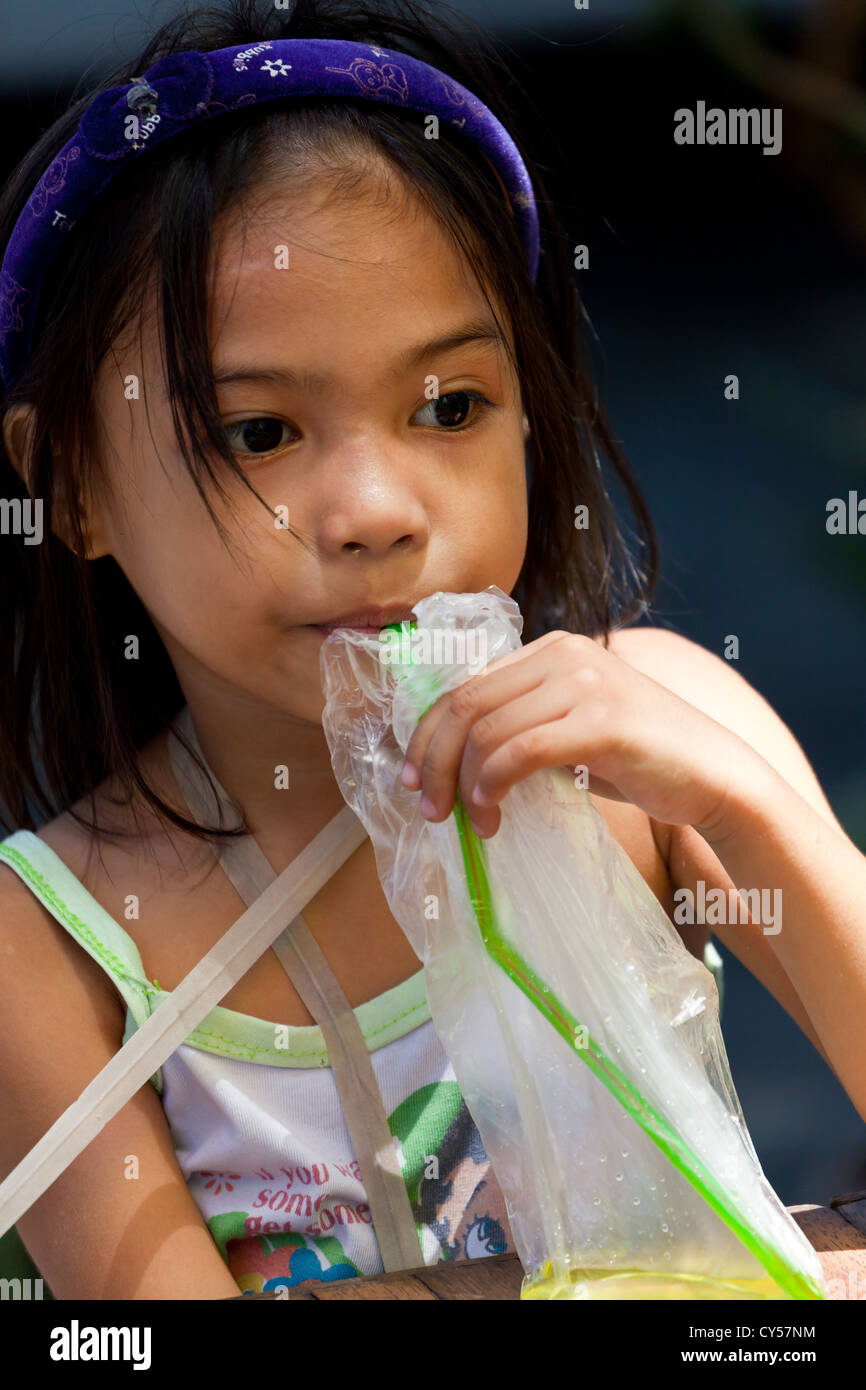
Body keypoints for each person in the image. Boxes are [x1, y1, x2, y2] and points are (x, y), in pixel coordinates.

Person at [0, 0, 863, 1301]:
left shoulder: (658, 749)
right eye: (258, 432)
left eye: (449, 405)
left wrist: (739, 803)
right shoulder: (52, 940)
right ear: (70, 484)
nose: (379, 512)